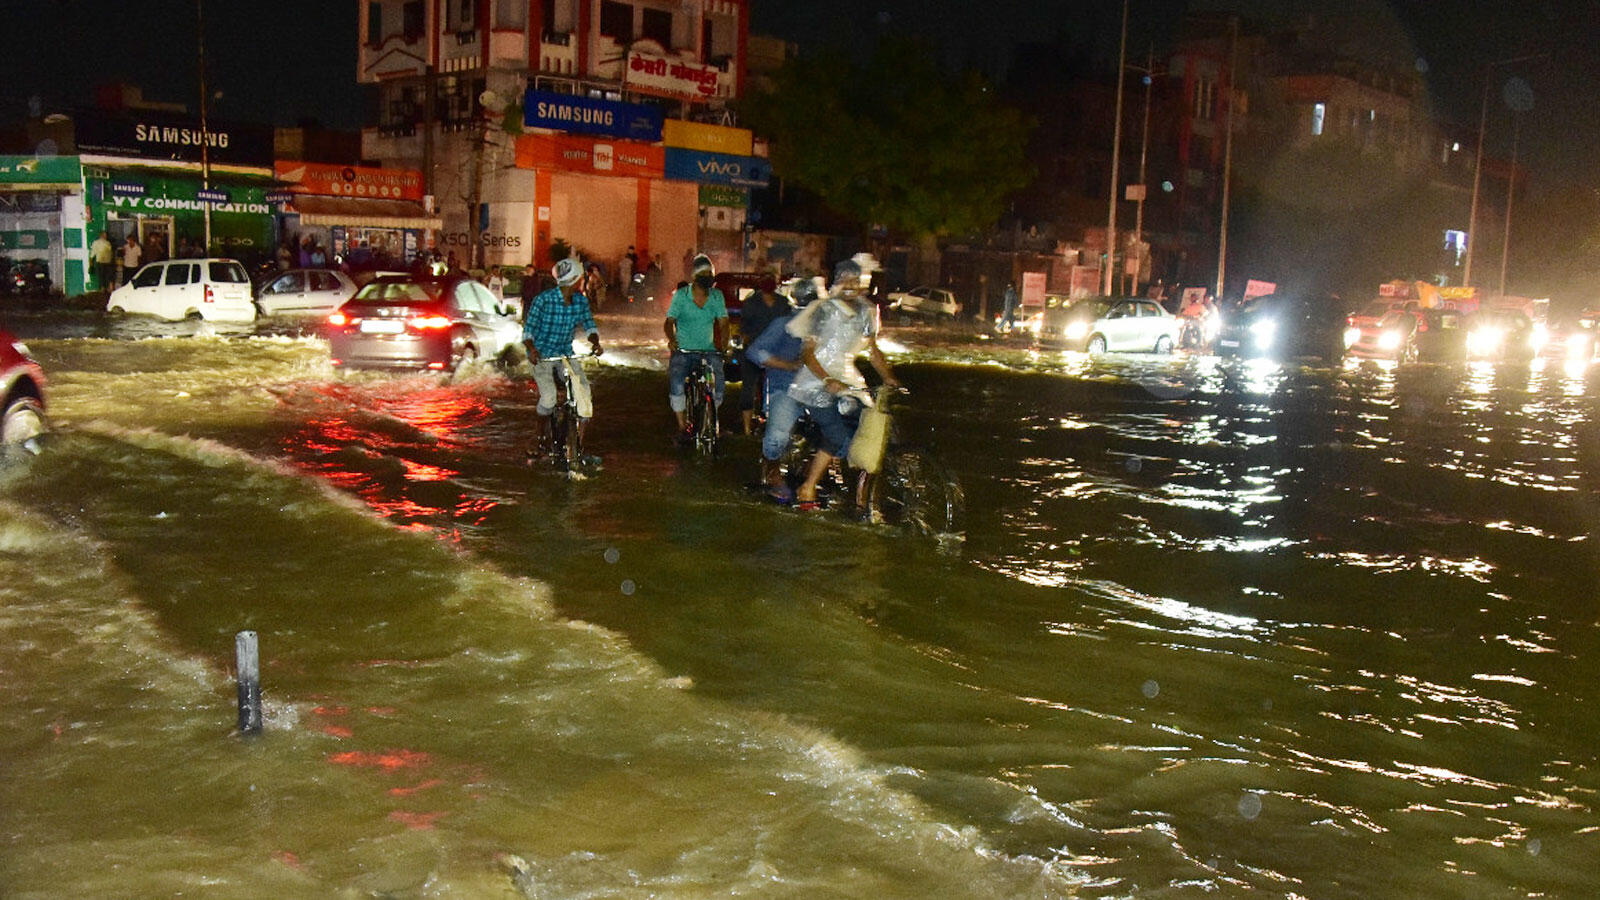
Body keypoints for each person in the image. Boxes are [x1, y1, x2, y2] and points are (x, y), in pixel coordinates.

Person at [787, 256, 898, 510]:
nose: (850, 284)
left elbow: (873, 351)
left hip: (848, 378)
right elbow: (807, 352)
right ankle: (808, 486)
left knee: (870, 426)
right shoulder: (824, 310)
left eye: (855, 280)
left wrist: (888, 377)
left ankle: (862, 499)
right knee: (836, 435)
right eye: (845, 279)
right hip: (816, 380)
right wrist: (827, 379)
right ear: (837, 281)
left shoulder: (868, 311)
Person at [522, 257, 603, 457]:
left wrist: (595, 341)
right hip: (542, 355)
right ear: (575, 279)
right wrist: (532, 350)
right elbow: (528, 332)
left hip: (566, 353)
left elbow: (589, 325)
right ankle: (539, 437)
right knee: (548, 398)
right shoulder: (544, 300)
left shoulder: (581, 301)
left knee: (583, 393)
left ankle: (578, 447)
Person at [747, 278, 818, 500]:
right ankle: (772, 468)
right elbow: (755, 352)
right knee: (777, 435)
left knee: (838, 429)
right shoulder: (783, 325)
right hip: (784, 388)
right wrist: (788, 365)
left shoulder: (824, 329)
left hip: (816, 390)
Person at [664, 253, 728, 443]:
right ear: (695, 276)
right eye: (704, 273)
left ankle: (712, 419)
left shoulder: (717, 297)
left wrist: (724, 344)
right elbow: (669, 322)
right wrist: (671, 339)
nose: (708, 276)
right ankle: (683, 426)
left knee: (718, 381)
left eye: (711, 272)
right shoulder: (681, 297)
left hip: (708, 351)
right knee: (676, 381)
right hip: (683, 351)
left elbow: (723, 323)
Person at [737, 273, 792, 435]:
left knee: (779, 389)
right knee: (748, 387)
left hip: (777, 353)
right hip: (754, 352)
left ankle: (775, 423)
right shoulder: (752, 302)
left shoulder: (783, 303)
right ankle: (747, 428)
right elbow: (744, 327)